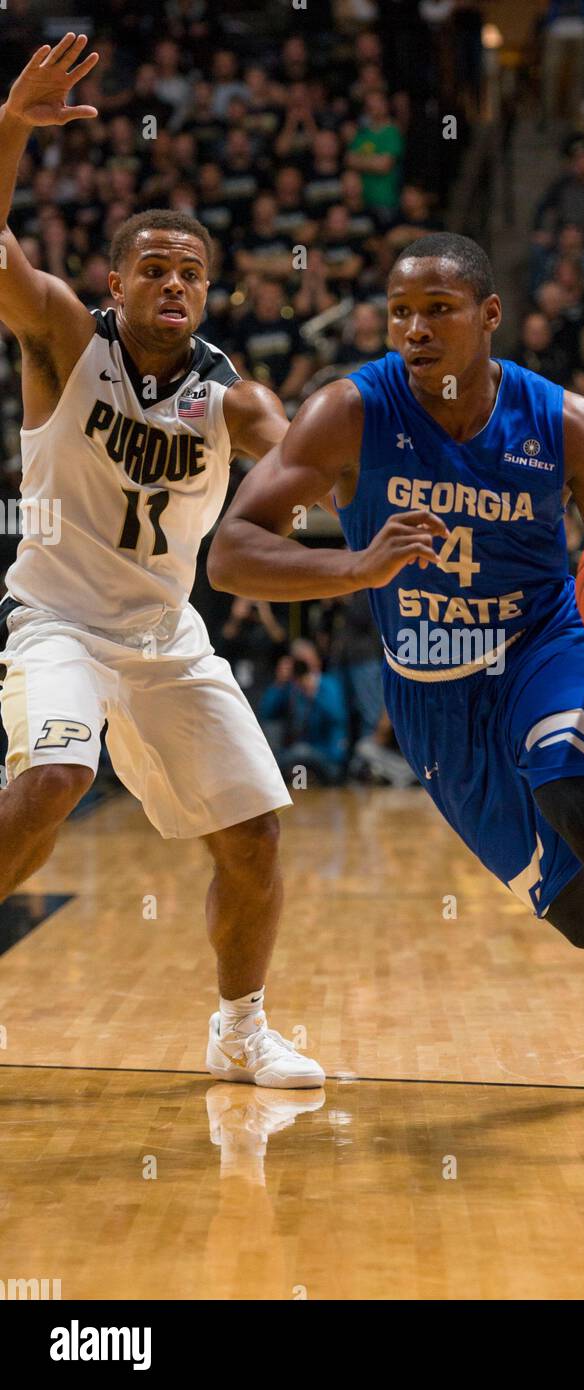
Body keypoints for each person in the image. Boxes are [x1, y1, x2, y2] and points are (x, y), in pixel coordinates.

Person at [209, 231, 584, 1153]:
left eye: (439, 309)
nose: (415, 328)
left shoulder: (565, 421)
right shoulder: (347, 413)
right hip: (431, 694)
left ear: (489, 316)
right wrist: (357, 565)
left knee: (580, 798)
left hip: (545, 645)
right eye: (400, 311)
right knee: (580, 916)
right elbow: (232, 553)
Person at [0, 36, 324, 1090]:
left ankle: (239, 1030)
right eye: (154, 268)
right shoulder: (58, 334)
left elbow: (305, 461)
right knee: (54, 775)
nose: (174, 283)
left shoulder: (234, 397)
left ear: (207, 289)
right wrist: (10, 126)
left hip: (165, 640)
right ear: (117, 281)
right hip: (55, 624)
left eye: (190, 271)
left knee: (257, 838)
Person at [259, 644, 348, 786]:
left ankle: (300, 782)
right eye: (299, 663)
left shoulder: (329, 683)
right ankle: (298, 783)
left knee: (300, 753)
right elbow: (266, 713)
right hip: (294, 754)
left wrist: (314, 694)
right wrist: (279, 683)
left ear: (317, 662)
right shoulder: (290, 687)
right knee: (292, 751)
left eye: (307, 662)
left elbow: (338, 717)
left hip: (326, 756)